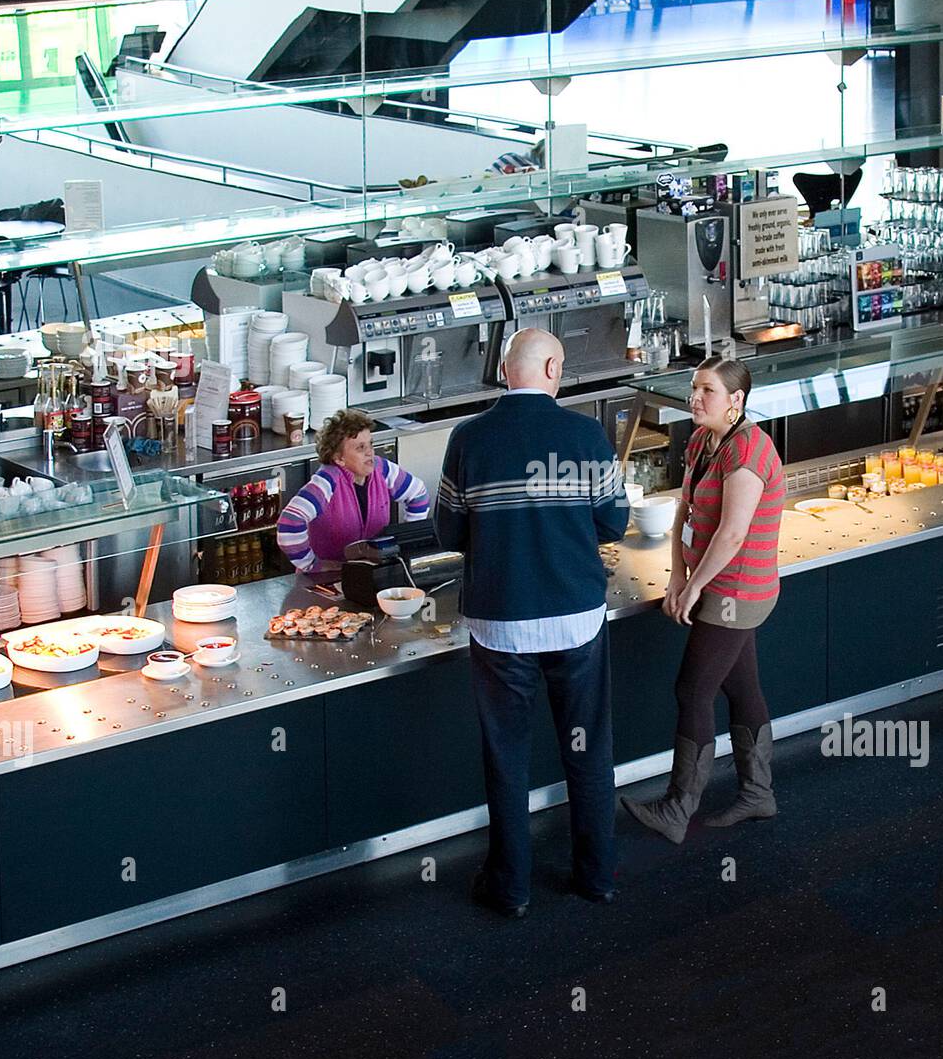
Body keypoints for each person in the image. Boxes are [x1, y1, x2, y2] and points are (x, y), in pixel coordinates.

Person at [436, 328, 629, 917]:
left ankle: (510, 888)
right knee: (588, 751)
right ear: (550, 368)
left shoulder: (469, 439)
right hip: (576, 619)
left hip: (501, 626)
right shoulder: (585, 434)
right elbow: (615, 522)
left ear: (502, 368)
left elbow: (448, 533)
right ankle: (596, 877)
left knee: (507, 756)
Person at [622, 356, 785, 843]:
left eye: (707, 391)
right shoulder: (701, 441)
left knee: (692, 691)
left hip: (736, 589)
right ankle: (759, 794)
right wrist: (678, 576)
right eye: (694, 388)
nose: (695, 399)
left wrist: (695, 588)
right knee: (741, 688)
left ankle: (678, 808)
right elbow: (685, 511)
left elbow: (733, 534)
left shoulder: (749, 452)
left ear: (735, 400)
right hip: (714, 584)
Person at [276, 409, 429, 574]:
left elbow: (418, 494)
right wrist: (312, 564)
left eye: (370, 444)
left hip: (371, 572)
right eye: (360, 448)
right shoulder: (327, 482)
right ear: (338, 458)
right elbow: (289, 523)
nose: (370, 452)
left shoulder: (381, 469)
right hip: (326, 579)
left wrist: (407, 544)